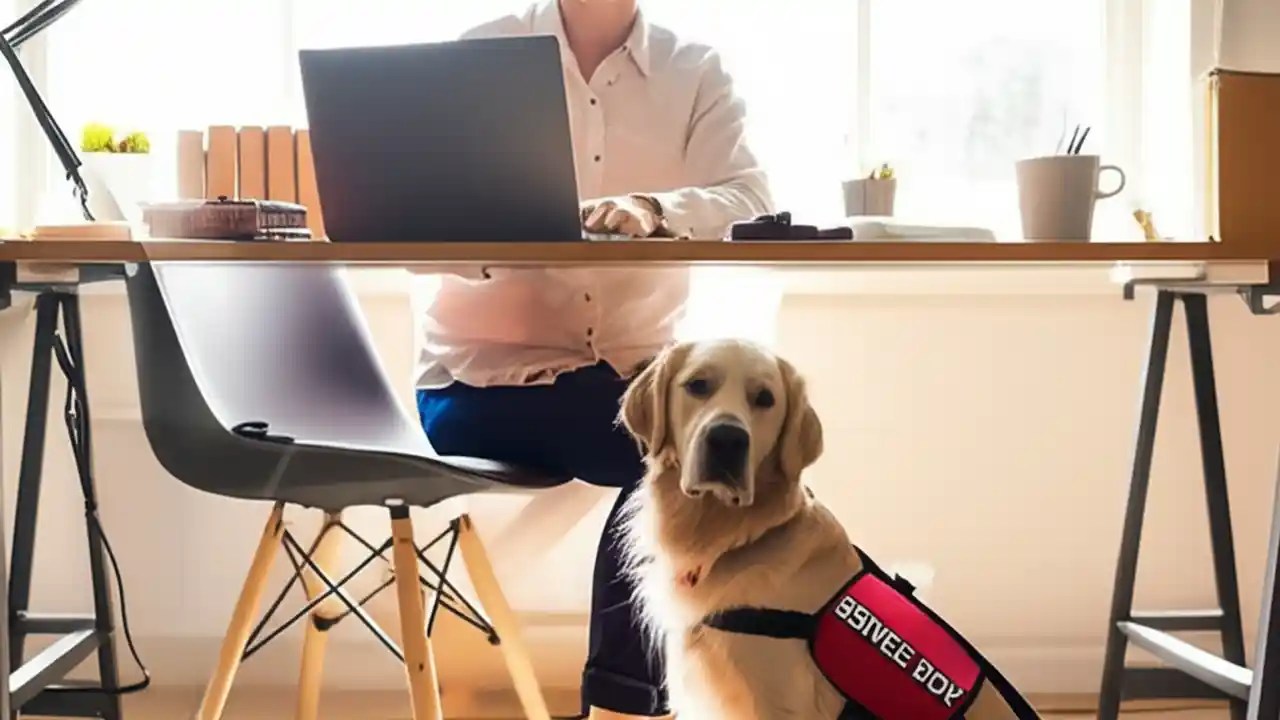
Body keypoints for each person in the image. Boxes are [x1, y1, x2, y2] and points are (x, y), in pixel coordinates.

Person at [414, 1, 772, 717]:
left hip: (628, 380)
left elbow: (749, 197)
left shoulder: (693, 70)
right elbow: (419, 237)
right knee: (671, 455)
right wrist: (512, 234)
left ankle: (664, 692)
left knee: (710, 447)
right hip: (483, 383)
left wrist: (654, 210)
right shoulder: (483, 54)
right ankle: (622, 706)